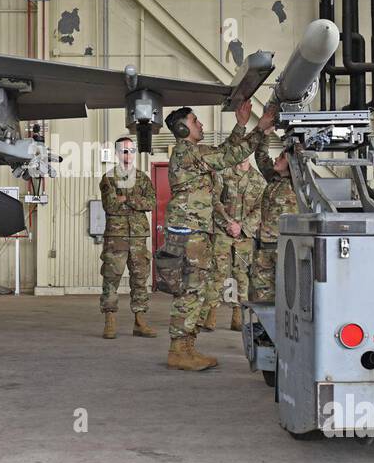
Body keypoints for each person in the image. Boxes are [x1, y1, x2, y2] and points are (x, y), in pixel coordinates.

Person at [162, 100, 274, 370]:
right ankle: (179, 350)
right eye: (195, 121)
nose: (201, 124)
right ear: (182, 128)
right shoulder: (186, 153)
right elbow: (228, 157)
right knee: (190, 289)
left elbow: (224, 151)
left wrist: (241, 125)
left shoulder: (193, 153)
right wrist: (257, 129)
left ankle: (186, 347)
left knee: (197, 288)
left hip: (197, 229)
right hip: (190, 231)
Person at [98, 136, 158, 340]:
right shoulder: (109, 178)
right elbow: (110, 206)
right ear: (117, 153)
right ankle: (110, 320)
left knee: (140, 279)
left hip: (139, 237)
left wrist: (127, 198)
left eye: (132, 151)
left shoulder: (143, 178)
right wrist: (134, 201)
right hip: (117, 236)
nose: (128, 155)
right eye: (124, 151)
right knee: (111, 278)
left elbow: (151, 203)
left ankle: (140, 321)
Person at [203, 158, 265, 332]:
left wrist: (242, 227)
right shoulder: (223, 173)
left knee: (242, 274)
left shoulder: (258, 180)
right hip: (223, 231)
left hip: (244, 235)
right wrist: (228, 223)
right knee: (217, 272)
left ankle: (238, 315)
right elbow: (214, 200)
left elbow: (260, 208)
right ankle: (211, 312)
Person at [249, 128, 300, 305]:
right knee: (262, 295)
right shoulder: (274, 178)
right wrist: (266, 133)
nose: (276, 159)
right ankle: (266, 329)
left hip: (285, 248)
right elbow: (261, 156)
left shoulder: (299, 185)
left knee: (289, 295)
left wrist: (294, 144)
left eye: (281, 157)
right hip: (264, 247)